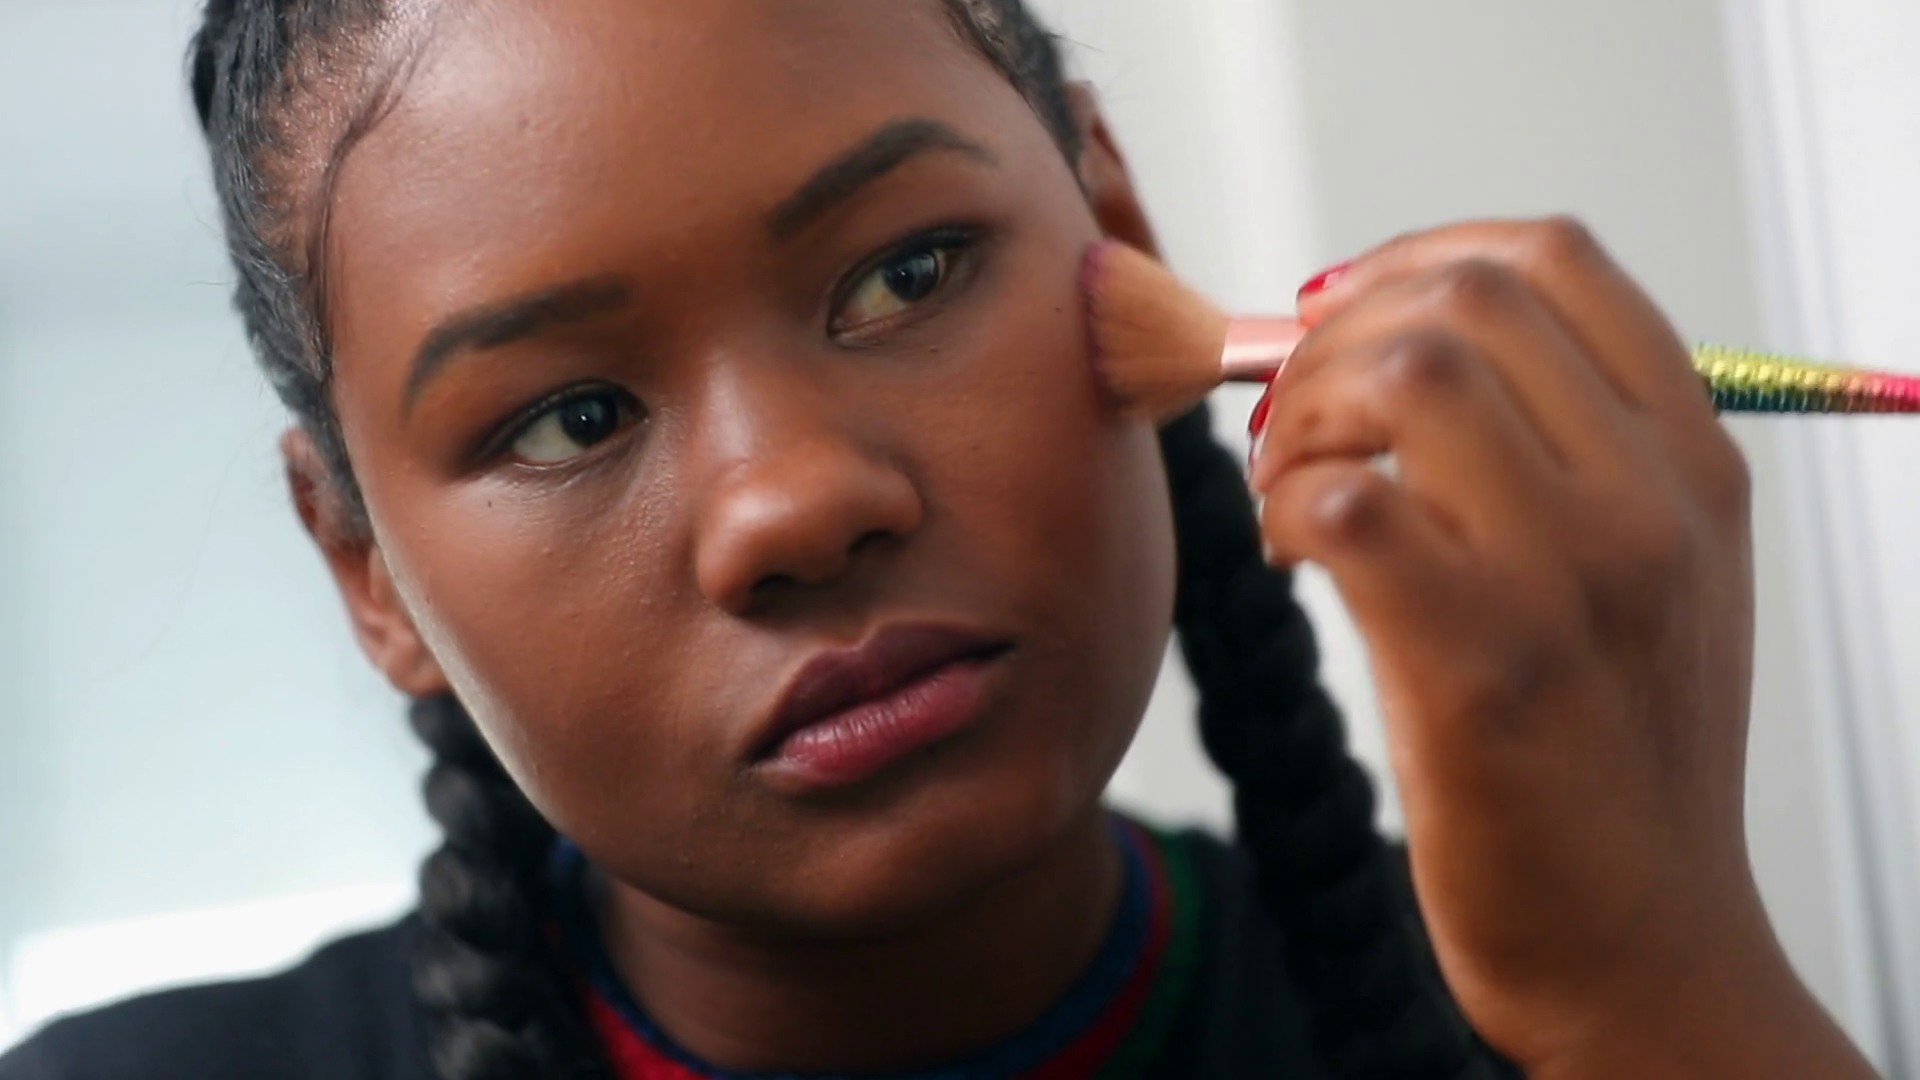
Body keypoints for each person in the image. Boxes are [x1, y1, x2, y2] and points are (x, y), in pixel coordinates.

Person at [0, 1, 1880, 1078]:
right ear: (361, 570)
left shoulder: (1576, 1014)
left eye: (905, 275)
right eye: (571, 418)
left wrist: (1667, 985)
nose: (796, 504)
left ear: (1119, 236)